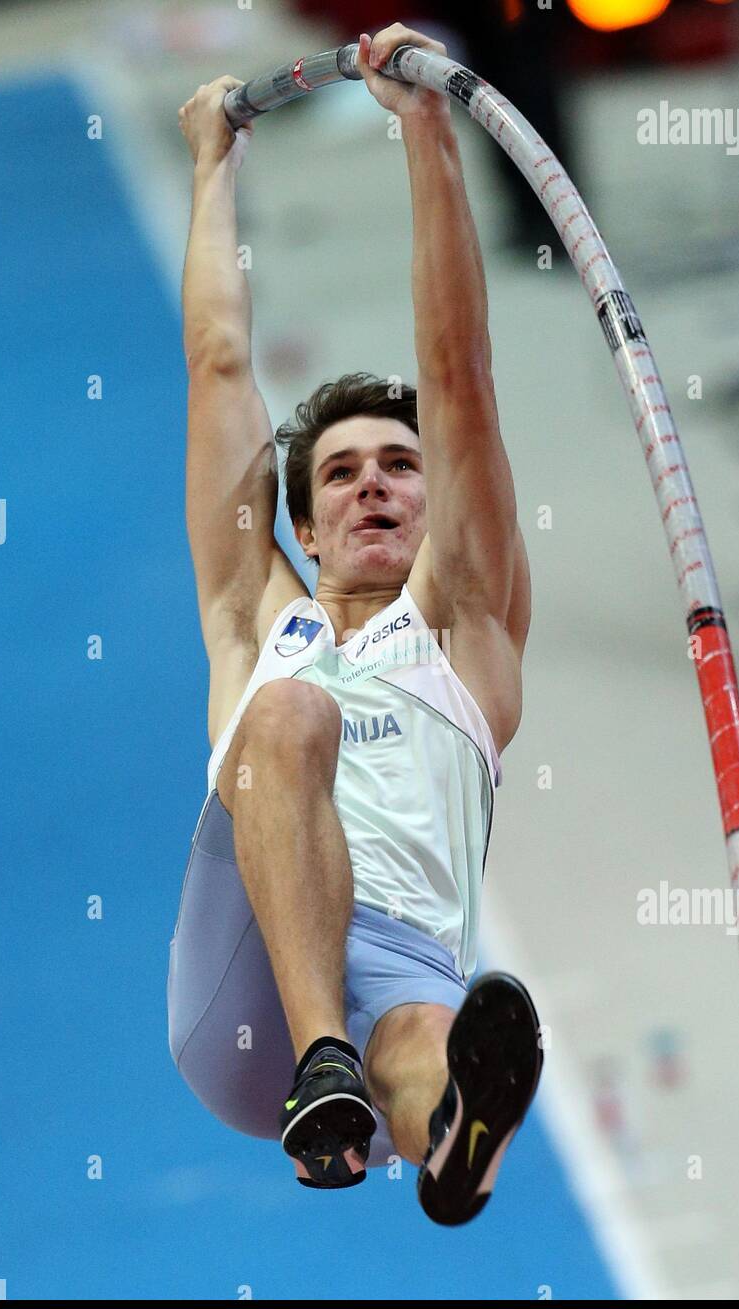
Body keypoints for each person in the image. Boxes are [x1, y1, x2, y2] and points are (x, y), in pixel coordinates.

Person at [168, 22, 543, 1226]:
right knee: (291, 713)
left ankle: (449, 1142)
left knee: (436, 1039)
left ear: (432, 506)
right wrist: (213, 164)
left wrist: (426, 133)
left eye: (398, 465)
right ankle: (323, 1065)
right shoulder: (253, 617)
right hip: (244, 1001)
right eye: (339, 475)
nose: (374, 481)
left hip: (397, 986)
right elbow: (222, 363)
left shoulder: (468, 642)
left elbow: (461, 371)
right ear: (308, 534)